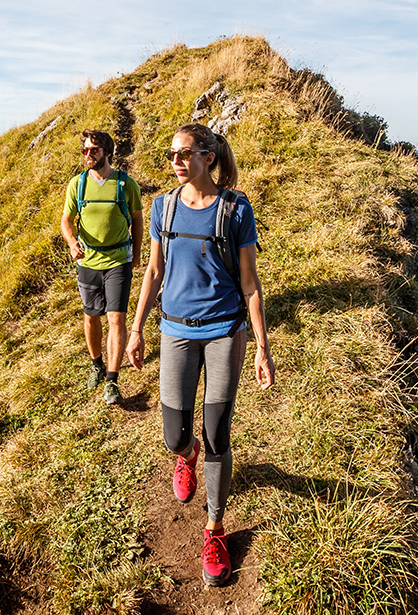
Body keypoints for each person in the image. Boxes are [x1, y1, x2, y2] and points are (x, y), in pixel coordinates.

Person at [127, 123, 274, 587]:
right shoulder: (162, 207)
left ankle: (214, 528)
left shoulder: (235, 209)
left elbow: (250, 284)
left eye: (185, 153)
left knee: (217, 433)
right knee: (175, 435)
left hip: (225, 333)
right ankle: (184, 454)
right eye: (172, 153)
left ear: (208, 157)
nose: (175, 161)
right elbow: (153, 271)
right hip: (174, 330)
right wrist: (135, 330)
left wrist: (262, 348)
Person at [60, 129, 143, 406]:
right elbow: (66, 220)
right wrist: (72, 242)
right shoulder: (78, 184)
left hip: (118, 260)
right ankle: (96, 363)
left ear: (107, 152)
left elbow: (138, 220)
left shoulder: (125, 184)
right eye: (84, 150)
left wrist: (138, 253)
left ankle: (112, 380)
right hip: (88, 262)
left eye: (93, 150)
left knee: (116, 319)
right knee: (91, 316)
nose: (87, 155)